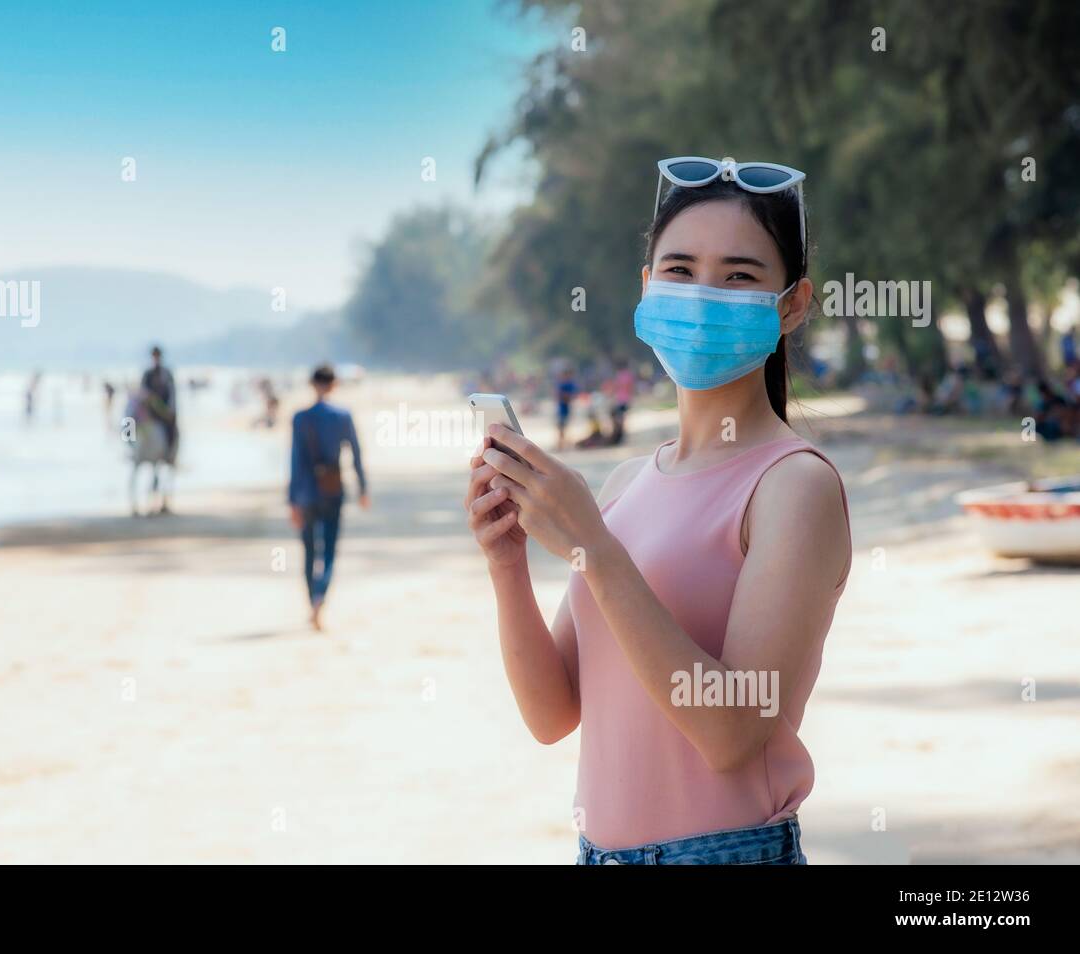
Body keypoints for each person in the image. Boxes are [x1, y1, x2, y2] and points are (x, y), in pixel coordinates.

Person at [465, 159, 851, 865]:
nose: (703, 295)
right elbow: (552, 715)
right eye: (679, 269)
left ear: (792, 305)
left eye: (738, 276)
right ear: (646, 288)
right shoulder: (623, 483)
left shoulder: (794, 486)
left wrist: (594, 548)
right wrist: (507, 564)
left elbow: (732, 735)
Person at [289, 364, 370, 631]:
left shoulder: (300, 418)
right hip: (333, 490)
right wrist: (363, 489)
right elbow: (356, 454)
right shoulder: (342, 416)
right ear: (334, 384)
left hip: (305, 494)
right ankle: (320, 599)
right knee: (330, 551)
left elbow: (295, 462)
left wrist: (292, 500)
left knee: (309, 552)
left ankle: (312, 599)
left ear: (312, 385)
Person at [142, 345, 179, 468]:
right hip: (149, 411)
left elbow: (172, 393)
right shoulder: (147, 374)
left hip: (164, 412)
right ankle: (129, 448)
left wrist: (170, 411)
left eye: (157, 356)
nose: (155, 358)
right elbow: (143, 392)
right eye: (154, 356)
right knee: (129, 421)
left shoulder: (166, 374)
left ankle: (170, 455)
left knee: (172, 429)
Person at [554, 365, 578, 451]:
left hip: (564, 409)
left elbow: (569, 397)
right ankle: (561, 444)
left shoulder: (568, 384)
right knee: (561, 427)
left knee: (562, 427)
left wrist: (561, 395)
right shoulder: (564, 384)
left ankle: (561, 444)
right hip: (561, 408)